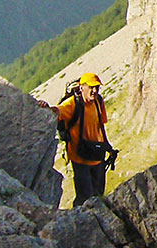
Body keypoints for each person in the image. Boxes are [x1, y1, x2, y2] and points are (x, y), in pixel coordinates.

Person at [37, 72, 115, 205]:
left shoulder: (98, 101)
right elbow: (57, 111)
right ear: (82, 87)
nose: (94, 91)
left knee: (99, 195)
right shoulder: (73, 103)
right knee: (84, 197)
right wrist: (45, 107)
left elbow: (100, 126)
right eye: (91, 87)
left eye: (97, 87)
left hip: (97, 156)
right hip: (80, 158)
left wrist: (108, 147)